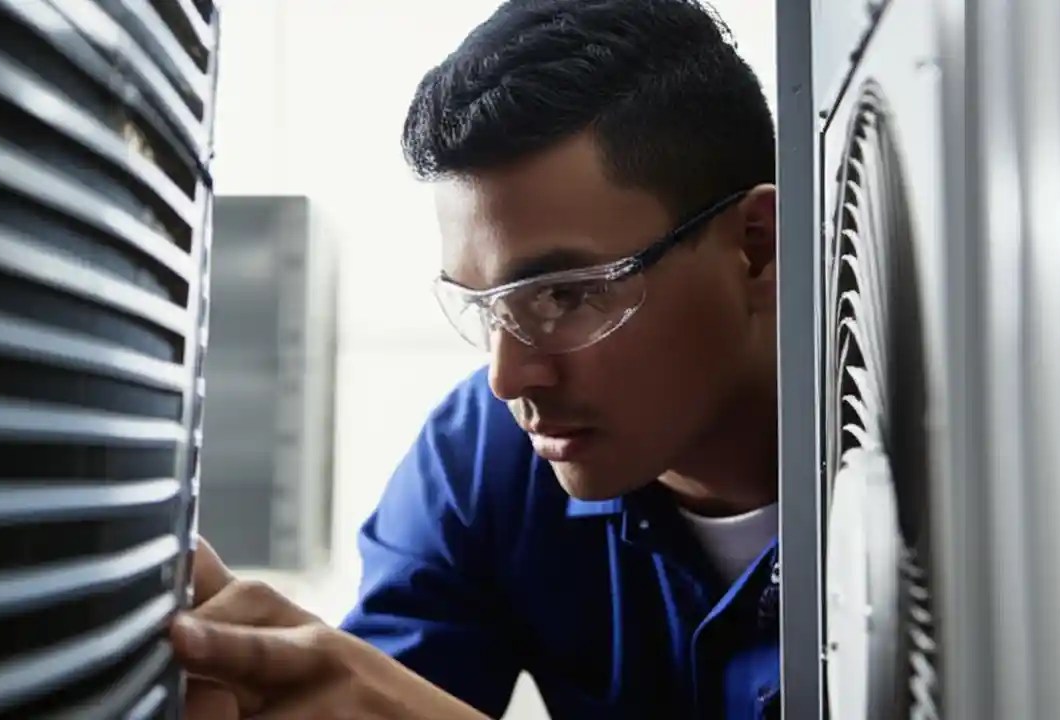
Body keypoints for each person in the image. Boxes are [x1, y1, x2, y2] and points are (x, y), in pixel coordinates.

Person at [170, 0, 780, 717]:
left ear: (758, 247)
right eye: (487, 307)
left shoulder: (921, 479)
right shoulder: (480, 458)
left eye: (564, 295)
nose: (507, 377)